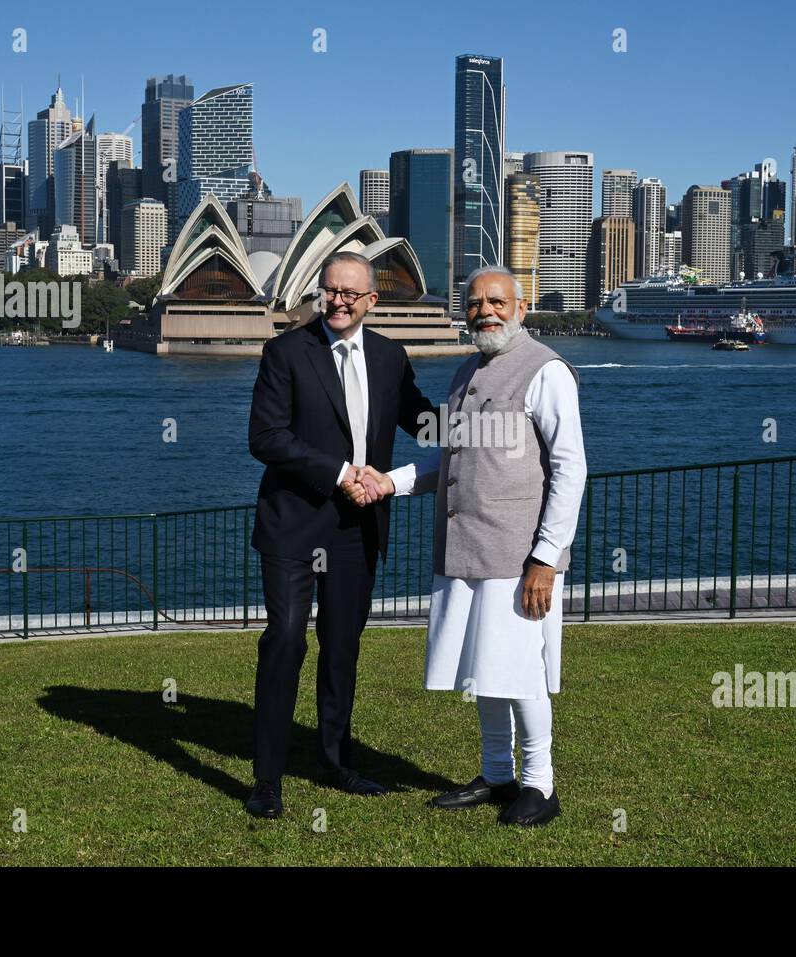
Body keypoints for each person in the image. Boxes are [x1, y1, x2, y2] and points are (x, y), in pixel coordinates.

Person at [346, 265, 586, 827]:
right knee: (486, 667)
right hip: (466, 548)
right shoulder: (465, 373)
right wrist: (389, 481)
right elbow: (447, 457)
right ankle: (496, 771)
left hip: (518, 554)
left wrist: (546, 559)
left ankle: (540, 786)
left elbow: (570, 470)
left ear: (520, 308)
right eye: (475, 303)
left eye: (497, 302)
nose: (486, 312)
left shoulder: (547, 372)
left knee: (521, 670)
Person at [245, 250, 436, 819]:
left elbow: (423, 421)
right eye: (331, 290)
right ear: (319, 292)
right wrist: (341, 473)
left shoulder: (390, 357)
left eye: (351, 293)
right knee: (285, 642)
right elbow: (265, 437)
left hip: (357, 529)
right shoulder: (285, 352)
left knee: (342, 648)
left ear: (371, 301)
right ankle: (267, 780)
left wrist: (495, 411)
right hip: (294, 526)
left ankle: (336, 763)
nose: (339, 301)